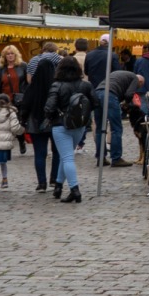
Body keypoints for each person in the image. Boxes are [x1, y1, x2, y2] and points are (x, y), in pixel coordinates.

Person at [44, 55, 97, 203]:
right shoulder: (86, 85)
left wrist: (51, 117)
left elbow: (49, 107)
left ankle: (75, 190)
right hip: (79, 126)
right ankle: (58, 186)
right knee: (65, 155)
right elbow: (96, 103)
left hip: (61, 125)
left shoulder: (57, 85)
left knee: (67, 157)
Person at [20, 51, 59, 192]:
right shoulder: (56, 86)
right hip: (54, 122)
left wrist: (23, 121)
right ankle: (54, 178)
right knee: (57, 152)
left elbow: (25, 106)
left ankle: (41, 183)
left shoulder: (32, 87)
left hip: (36, 122)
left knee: (40, 154)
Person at [100, 67, 141, 167]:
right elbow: (128, 94)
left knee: (100, 129)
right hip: (110, 95)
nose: (137, 88)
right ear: (140, 81)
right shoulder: (135, 78)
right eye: (139, 86)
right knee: (116, 128)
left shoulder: (119, 73)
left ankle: (100, 158)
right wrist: (126, 103)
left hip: (98, 91)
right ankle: (116, 158)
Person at [0, 94, 23, 191]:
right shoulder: (10, 112)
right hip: (6, 143)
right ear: (8, 102)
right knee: (3, 162)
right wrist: (22, 131)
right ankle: (5, 180)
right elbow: (15, 128)